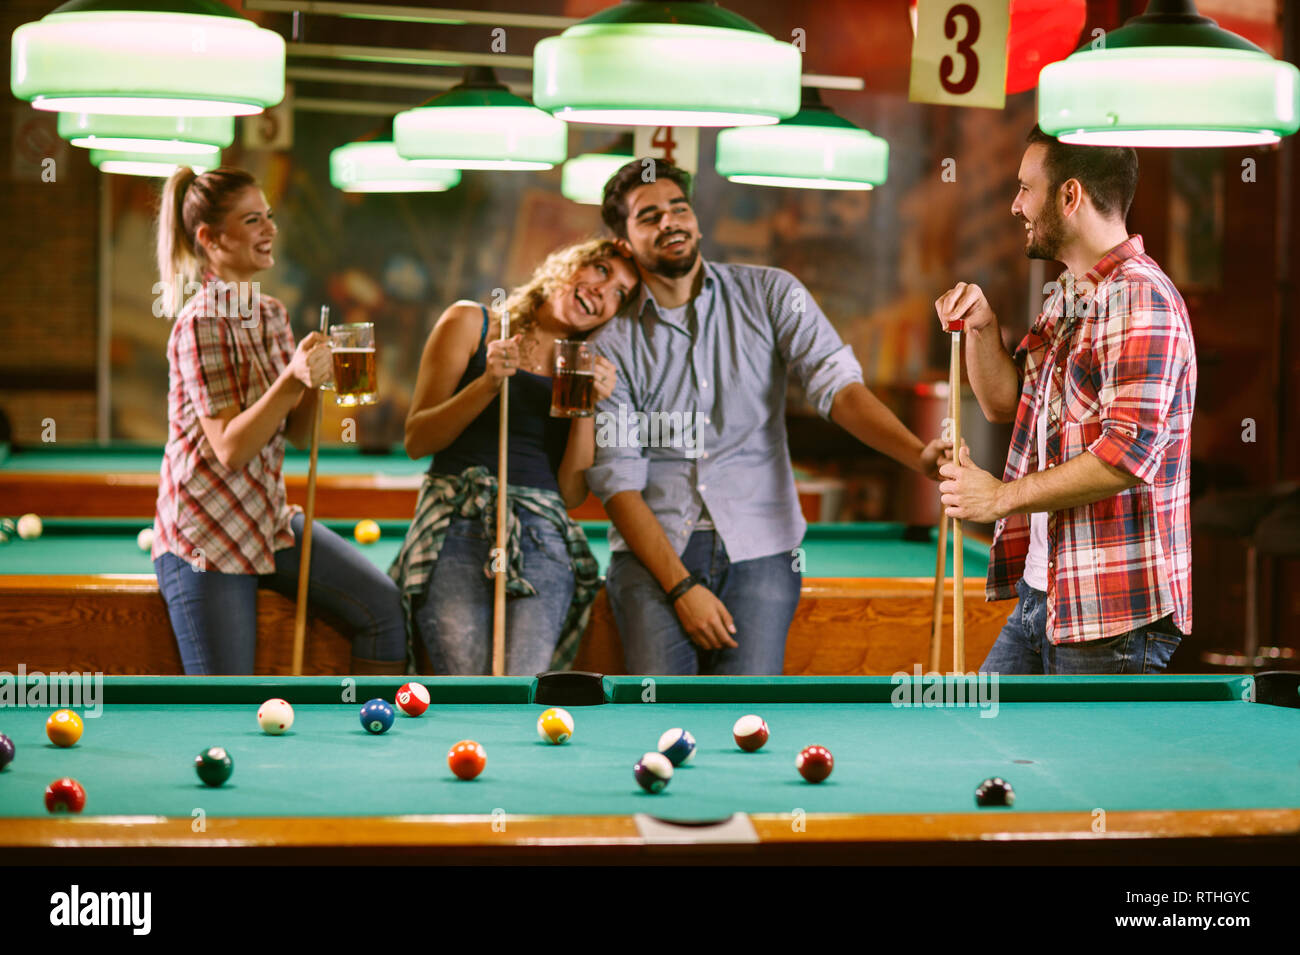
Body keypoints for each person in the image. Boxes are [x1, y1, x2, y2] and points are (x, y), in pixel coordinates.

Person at [588, 160, 948, 676]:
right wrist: (683, 589)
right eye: (648, 216)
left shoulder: (773, 294)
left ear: (697, 222)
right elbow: (618, 484)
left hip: (761, 548)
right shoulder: (611, 347)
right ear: (623, 241)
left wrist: (918, 453)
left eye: (679, 209)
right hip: (654, 557)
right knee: (658, 717)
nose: (669, 222)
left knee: (746, 719)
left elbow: (838, 387)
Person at [934, 126, 1196, 675]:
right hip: (1043, 596)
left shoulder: (1139, 299)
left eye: (1026, 188)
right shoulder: (1071, 293)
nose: (1015, 205)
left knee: (1080, 766)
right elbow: (1008, 404)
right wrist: (983, 328)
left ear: (1069, 195)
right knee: (974, 744)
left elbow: (1127, 455)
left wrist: (999, 498)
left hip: (1111, 616)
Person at [152, 166, 407, 675]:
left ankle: (371, 741)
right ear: (210, 238)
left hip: (268, 521)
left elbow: (295, 433)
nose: (270, 229)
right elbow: (230, 449)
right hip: (206, 536)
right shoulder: (198, 323)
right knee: (229, 704)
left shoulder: (271, 313)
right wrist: (291, 380)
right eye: (252, 220)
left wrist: (314, 382)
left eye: (268, 216)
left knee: (383, 610)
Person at [392, 238, 638, 675]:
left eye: (621, 292)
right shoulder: (472, 322)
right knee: (464, 688)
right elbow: (418, 440)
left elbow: (570, 493)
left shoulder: (581, 368)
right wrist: (487, 383)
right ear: (566, 266)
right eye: (601, 270)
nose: (605, 292)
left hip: (543, 531)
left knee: (523, 688)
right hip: (456, 520)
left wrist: (589, 406)